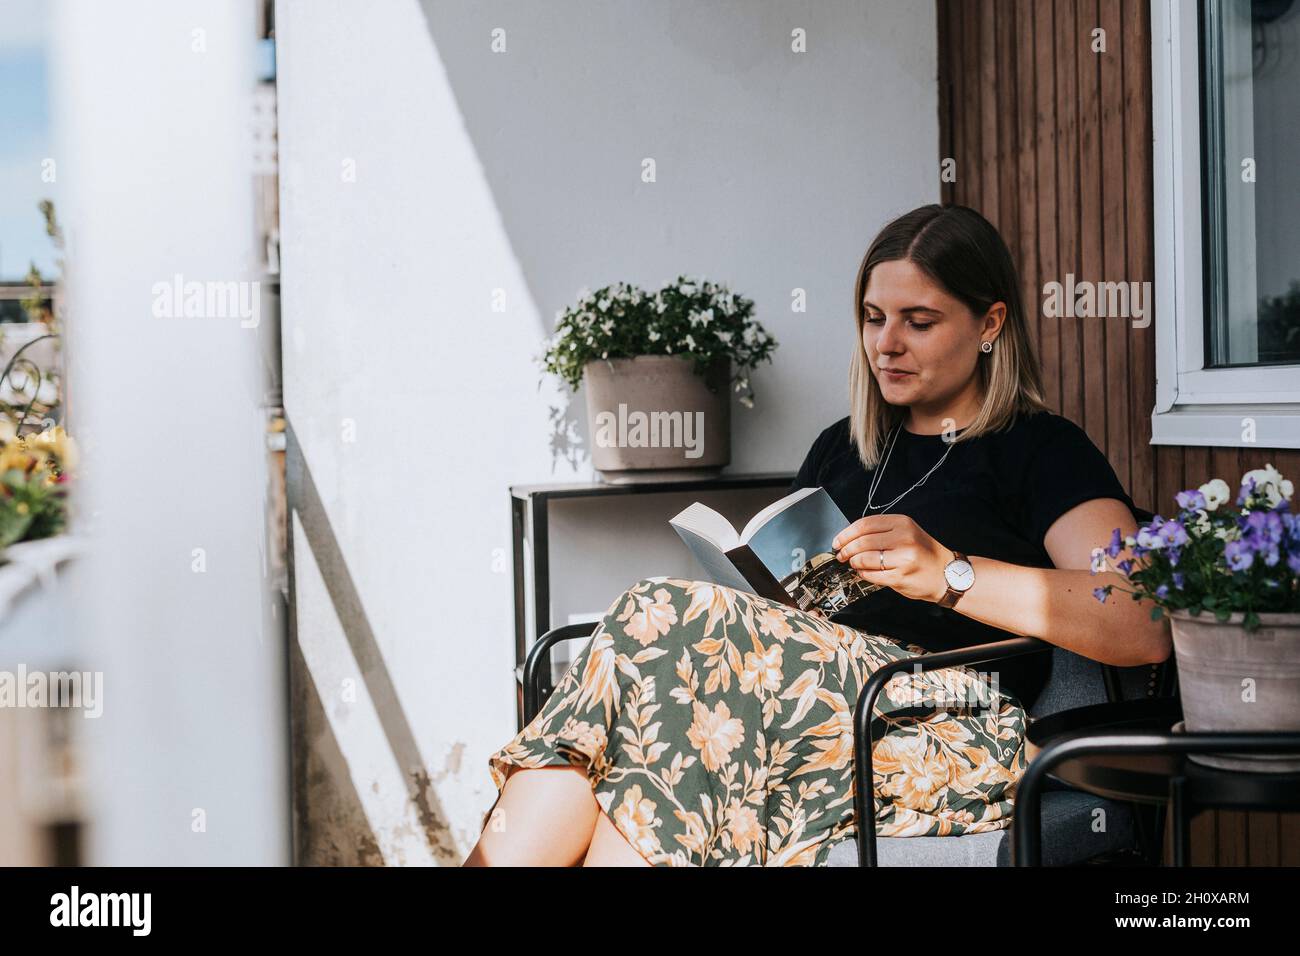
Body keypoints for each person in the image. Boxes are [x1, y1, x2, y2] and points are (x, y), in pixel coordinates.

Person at [464, 203, 1172, 867]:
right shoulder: (843, 449)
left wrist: (950, 574)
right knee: (651, 733)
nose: (886, 345)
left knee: (657, 622)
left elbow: (1142, 622)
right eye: (872, 318)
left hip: (947, 727)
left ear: (990, 324)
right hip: (801, 713)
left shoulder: (1040, 449)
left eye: (919, 322)